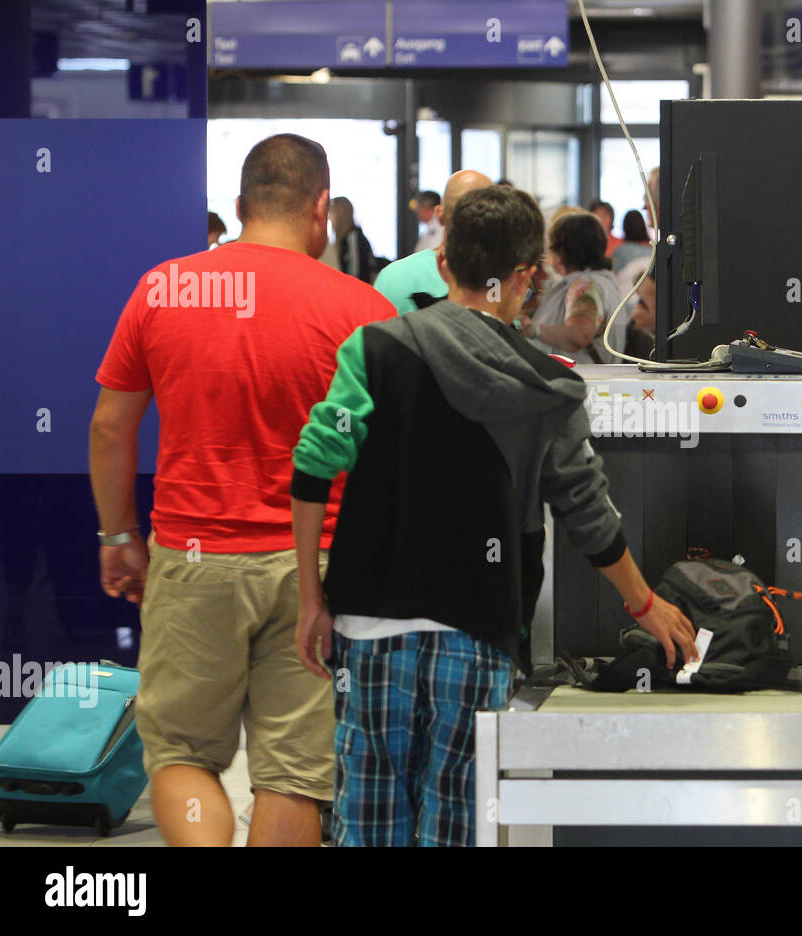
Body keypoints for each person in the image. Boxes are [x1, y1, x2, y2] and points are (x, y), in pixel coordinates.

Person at [290, 184, 698, 846]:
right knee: (454, 823)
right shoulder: (546, 384)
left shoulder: (374, 350)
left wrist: (312, 596)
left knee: (365, 822)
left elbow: (312, 467)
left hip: (366, 630)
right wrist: (643, 602)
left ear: (444, 260)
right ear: (526, 278)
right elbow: (587, 514)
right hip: (478, 633)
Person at [89, 133, 395, 846]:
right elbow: (388, 458)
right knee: (293, 773)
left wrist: (118, 538)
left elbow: (110, 428)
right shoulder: (363, 309)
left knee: (183, 756)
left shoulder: (163, 288)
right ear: (321, 207)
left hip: (192, 560)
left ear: (238, 204)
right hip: (314, 572)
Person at [373, 170, 492, 313]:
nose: (417, 212)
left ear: (439, 213)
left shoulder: (391, 277)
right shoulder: (503, 279)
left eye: (419, 207)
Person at [521, 210, 625, 364]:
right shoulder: (604, 281)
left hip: (579, 381)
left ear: (563, 251)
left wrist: (530, 328)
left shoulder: (586, 286)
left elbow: (580, 335)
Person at [330, 196, 377, 284]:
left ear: (340, 215)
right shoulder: (348, 238)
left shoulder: (353, 238)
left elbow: (356, 275)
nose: (329, 217)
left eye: (331, 212)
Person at [612, 209, 652, 274]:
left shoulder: (621, 250)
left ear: (625, 228)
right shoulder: (654, 248)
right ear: (643, 226)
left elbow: (614, 274)